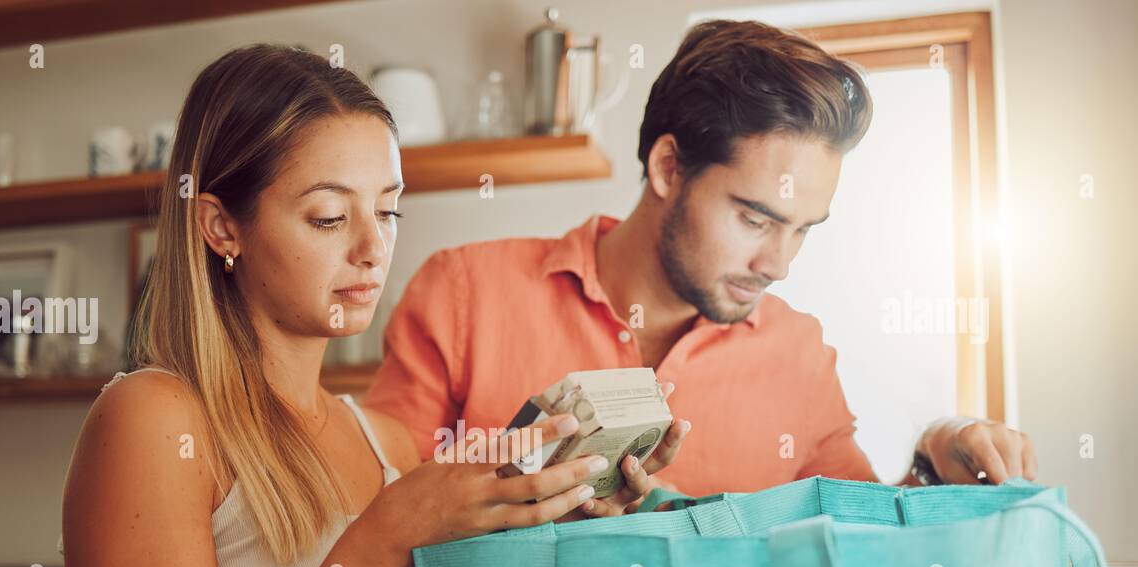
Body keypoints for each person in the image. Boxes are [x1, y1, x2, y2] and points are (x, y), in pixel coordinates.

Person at [59, 43, 681, 567]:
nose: (370, 248)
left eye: (387, 211)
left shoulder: (386, 440)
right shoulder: (154, 422)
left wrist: (565, 515)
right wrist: (386, 537)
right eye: (327, 217)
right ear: (220, 225)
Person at [365, 18, 1038, 517]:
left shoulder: (799, 353)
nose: (778, 264)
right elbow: (375, 516)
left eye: (802, 230)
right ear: (667, 167)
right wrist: (521, 488)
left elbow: (860, 540)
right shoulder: (464, 294)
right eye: (754, 218)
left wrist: (935, 460)